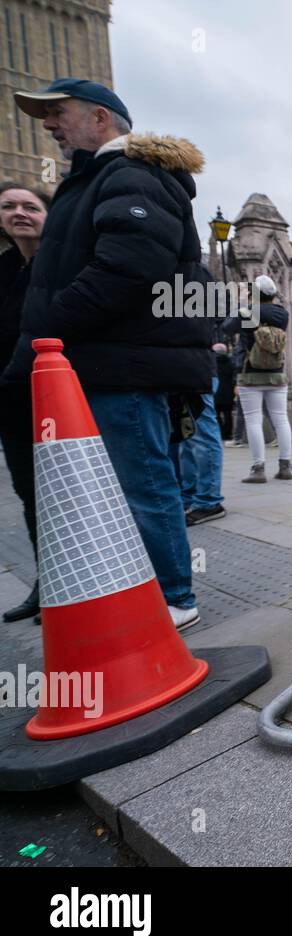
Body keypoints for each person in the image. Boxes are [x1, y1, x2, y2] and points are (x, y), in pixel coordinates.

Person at [4, 78, 210, 630]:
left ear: (100, 119)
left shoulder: (131, 173)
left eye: (58, 113)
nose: (48, 125)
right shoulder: (97, 178)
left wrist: (50, 329)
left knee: (143, 482)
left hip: (120, 365)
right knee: (113, 486)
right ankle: (137, 589)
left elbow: (128, 268)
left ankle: (173, 598)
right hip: (98, 361)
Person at [0, 182, 51, 623]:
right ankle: (47, 582)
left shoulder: (59, 265)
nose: (19, 212)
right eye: (9, 206)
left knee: (66, 494)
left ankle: (79, 581)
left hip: (56, 399)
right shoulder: (3, 269)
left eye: (30, 206)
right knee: (30, 495)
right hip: (11, 401)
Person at [222, 275, 292, 482]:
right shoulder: (283, 314)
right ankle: (285, 466)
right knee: (281, 419)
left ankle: (258, 468)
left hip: (250, 372)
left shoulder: (248, 312)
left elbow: (227, 327)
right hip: (277, 372)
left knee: (253, 420)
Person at [172, 263, 226, 526]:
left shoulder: (193, 271)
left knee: (201, 434)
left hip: (193, 364)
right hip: (178, 363)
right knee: (184, 437)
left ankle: (208, 499)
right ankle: (190, 495)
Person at [213, 341, 235, 439]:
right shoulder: (231, 362)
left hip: (216, 392)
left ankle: (220, 432)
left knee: (216, 414)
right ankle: (228, 433)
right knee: (228, 414)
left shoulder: (212, 363)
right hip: (228, 393)